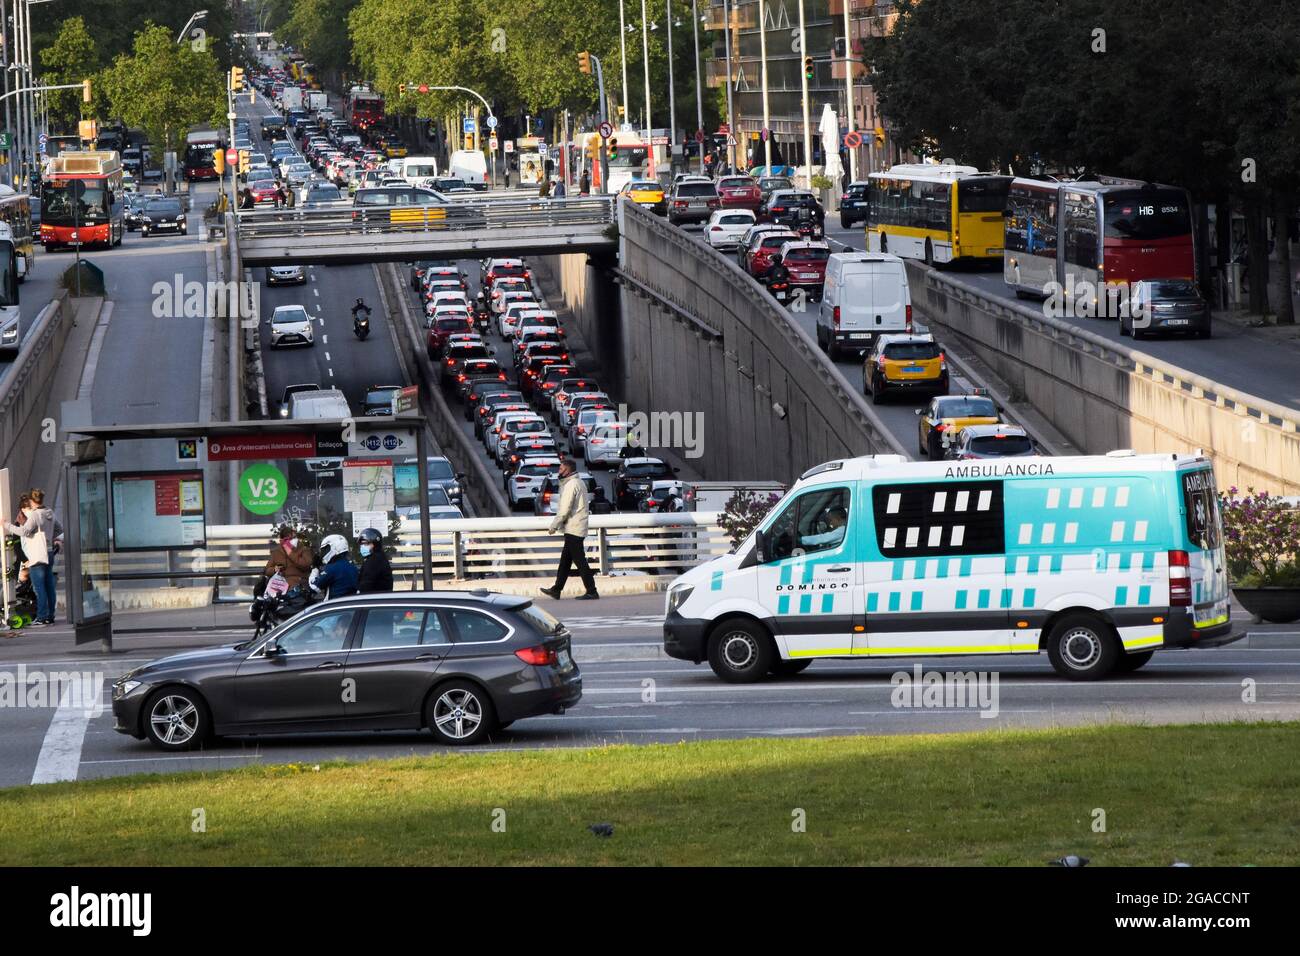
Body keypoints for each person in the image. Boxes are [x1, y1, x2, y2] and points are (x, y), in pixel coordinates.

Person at [540, 459, 598, 600]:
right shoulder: (578, 482)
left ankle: (591, 590)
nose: (558, 472)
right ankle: (557, 589)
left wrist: (554, 526)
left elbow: (564, 509)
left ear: (568, 470)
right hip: (576, 526)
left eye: (561, 469)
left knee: (579, 561)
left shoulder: (571, 485)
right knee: (565, 561)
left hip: (574, 527)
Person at [4, 489, 64, 626]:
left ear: (31, 501)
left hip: (37, 555)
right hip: (48, 552)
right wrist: (48, 537)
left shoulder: (35, 515)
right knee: (49, 587)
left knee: (39, 588)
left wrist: (6, 525)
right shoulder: (49, 512)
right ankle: (50, 616)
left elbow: (24, 532)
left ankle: (42, 617)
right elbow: (59, 530)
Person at [264, 525, 315, 591]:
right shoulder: (277, 552)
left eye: (294, 538)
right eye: (289, 539)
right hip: (280, 586)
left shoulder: (304, 549)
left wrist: (290, 552)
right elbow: (267, 570)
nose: (293, 540)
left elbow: (305, 565)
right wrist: (274, 569)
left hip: (299, 586)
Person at [309, 534, 359, 599]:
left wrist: (315, 569)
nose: (324, 553)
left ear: (335, 547)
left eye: (326, 549)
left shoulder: (332, 568)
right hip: (350, 605)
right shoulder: (352, 567)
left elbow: (314, 587)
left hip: (335, 605)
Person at [356, 528, 393, 593]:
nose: (363, 546)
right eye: (361, 544)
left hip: (375, 598)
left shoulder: (374, 560)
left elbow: (366, 583)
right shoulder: (377, 557)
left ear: (375, 544)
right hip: (378, 597)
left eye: (366, 544)